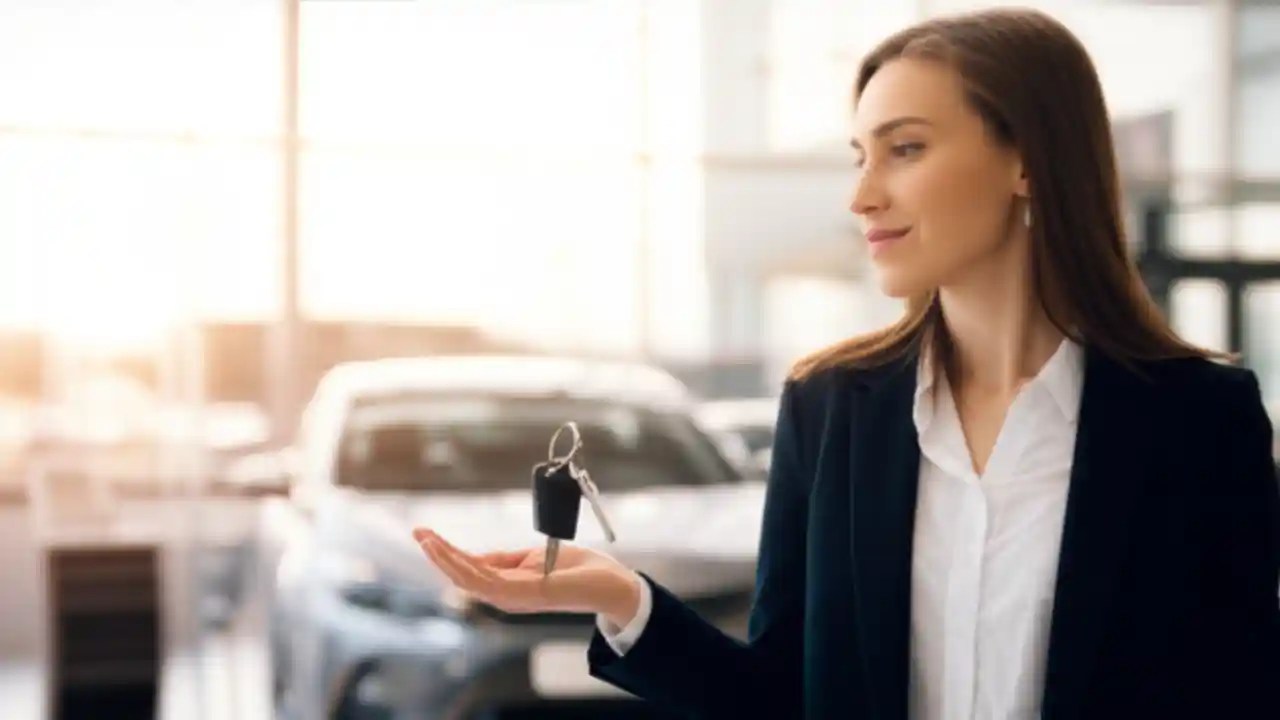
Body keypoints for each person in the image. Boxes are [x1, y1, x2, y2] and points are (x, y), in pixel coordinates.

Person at [414, 7, 1279, 719]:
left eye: (905, 149)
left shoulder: (1199, 422)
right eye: (860, 156)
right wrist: (620, 599)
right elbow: (782, 695)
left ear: (1027, 162)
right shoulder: (833, 410)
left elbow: (1241, 695)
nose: (862, 194)